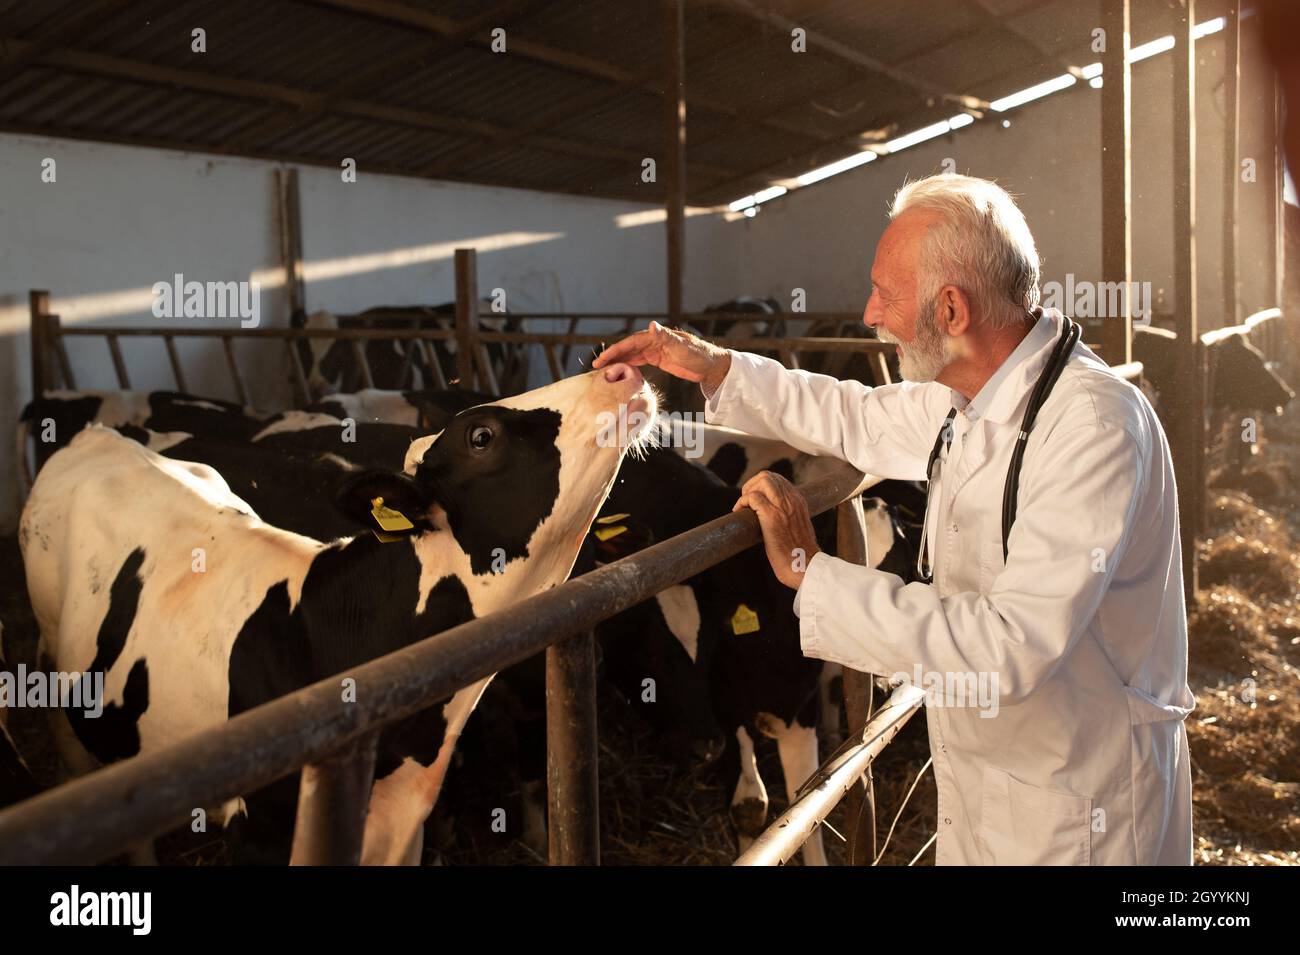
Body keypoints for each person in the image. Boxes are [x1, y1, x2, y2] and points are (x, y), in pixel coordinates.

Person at [592, 174, 1194, 865]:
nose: (872, 314)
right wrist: (713, 364)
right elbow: (851, 414)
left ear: (952, 309)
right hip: (990, 788)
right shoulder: (975, 395)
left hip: (1083, 813)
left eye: (885, 292)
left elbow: (1009, 648)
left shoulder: (1091, 427)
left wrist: (808, 572)